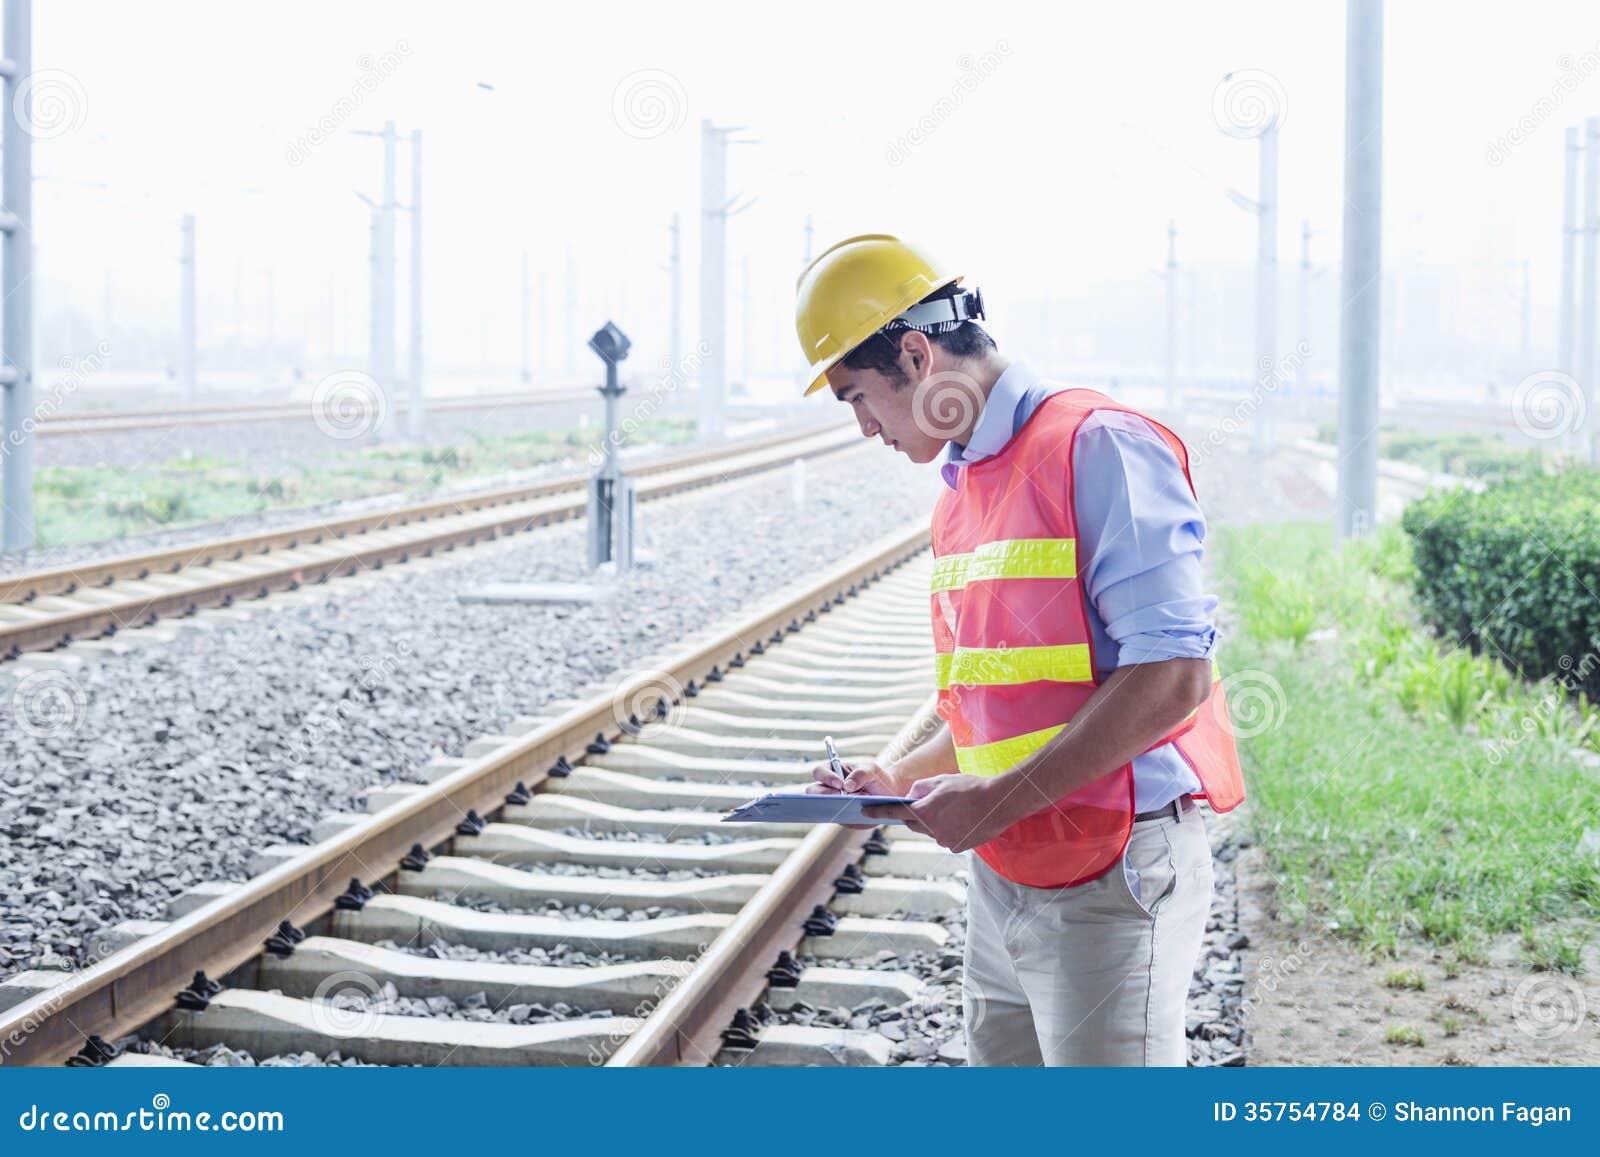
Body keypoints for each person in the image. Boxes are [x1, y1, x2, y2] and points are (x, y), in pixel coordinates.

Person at [794, 234, 1246, 1066]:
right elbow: (997, 701)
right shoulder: (964, 492)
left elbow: (1176, 674)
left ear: (917, 354)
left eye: (858, 397)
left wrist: (996, 799)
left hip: (1114, 872)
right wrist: (896, 777)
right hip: (1010, 871)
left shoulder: (1098, 445)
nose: (863, 427)